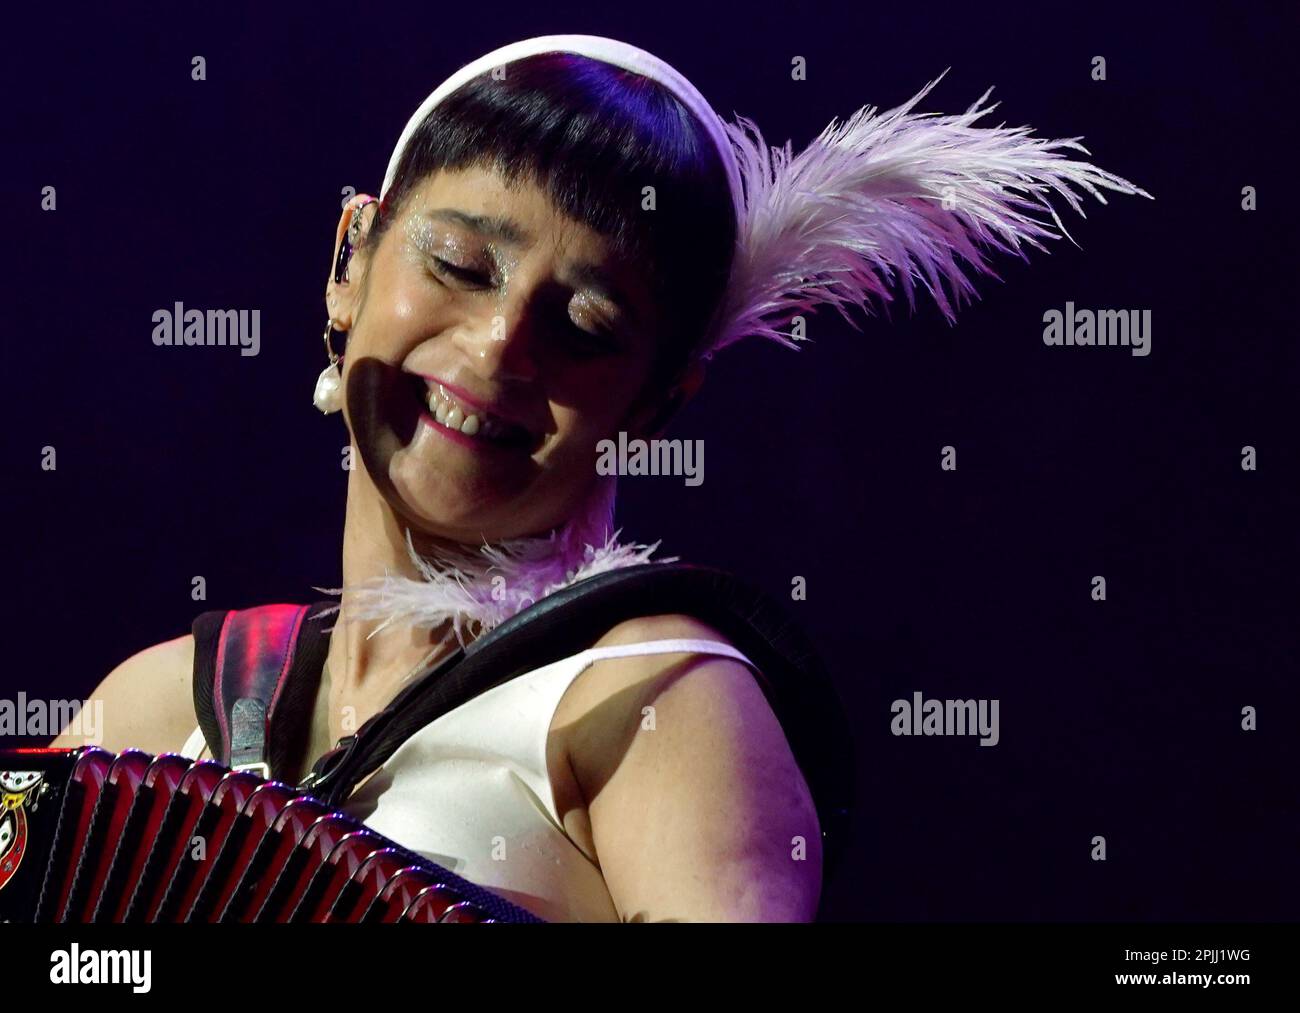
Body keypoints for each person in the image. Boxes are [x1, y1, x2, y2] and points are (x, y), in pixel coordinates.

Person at [52, 34, 1148, 922]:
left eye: (582, 324)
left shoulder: (660, 702)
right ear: (351, 259)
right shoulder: (159, 707)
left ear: (657, 402)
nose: (495, 348)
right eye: (460, 265)